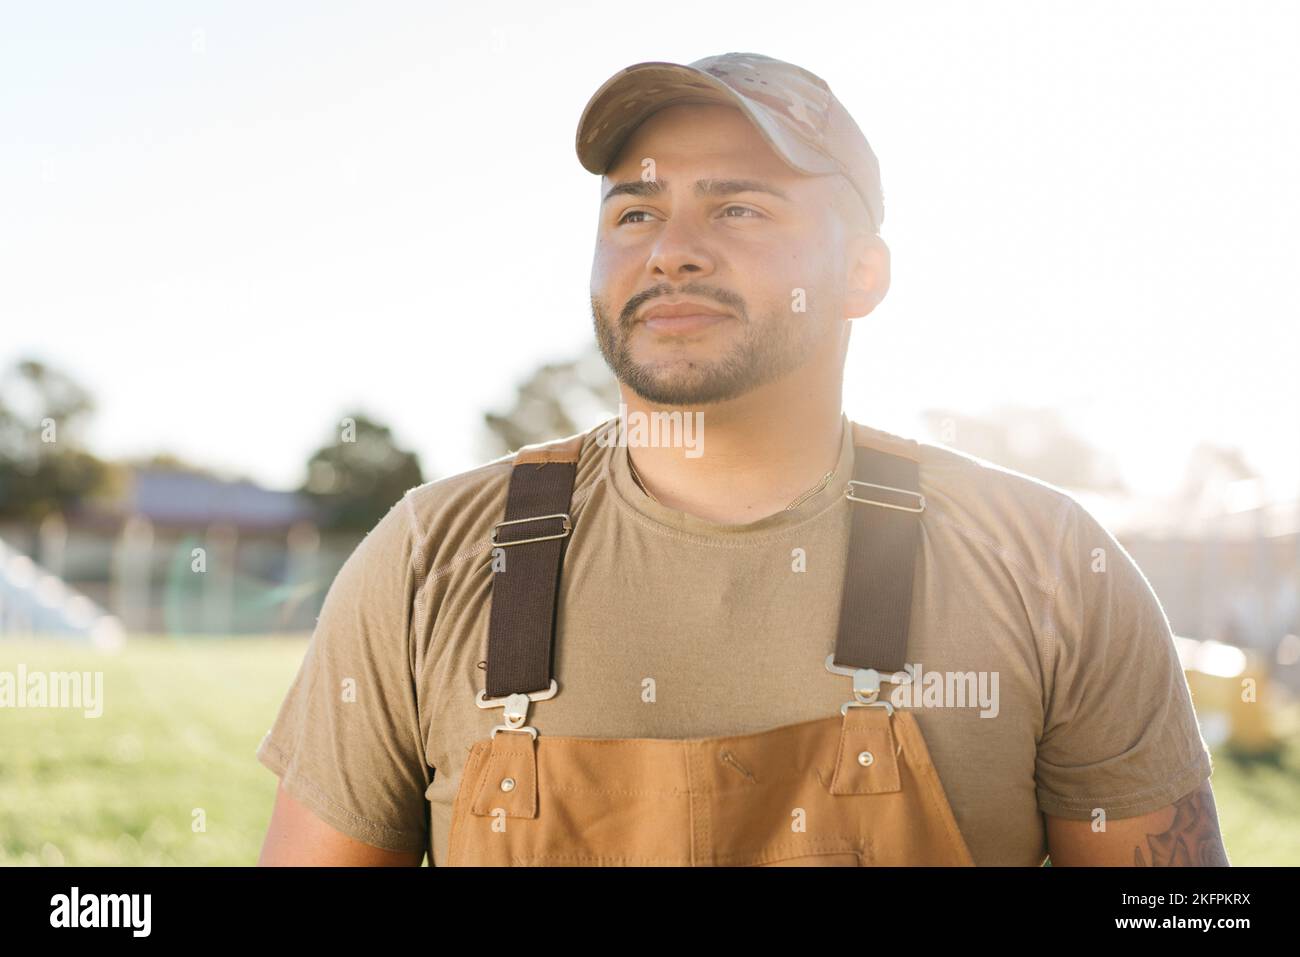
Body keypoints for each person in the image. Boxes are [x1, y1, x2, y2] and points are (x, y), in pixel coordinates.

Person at [256, 52, 1228, 866]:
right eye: (633, 213)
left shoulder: (1048, 563)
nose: (671, 250)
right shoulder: (432, 557)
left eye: (739, 210)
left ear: (860, 272)